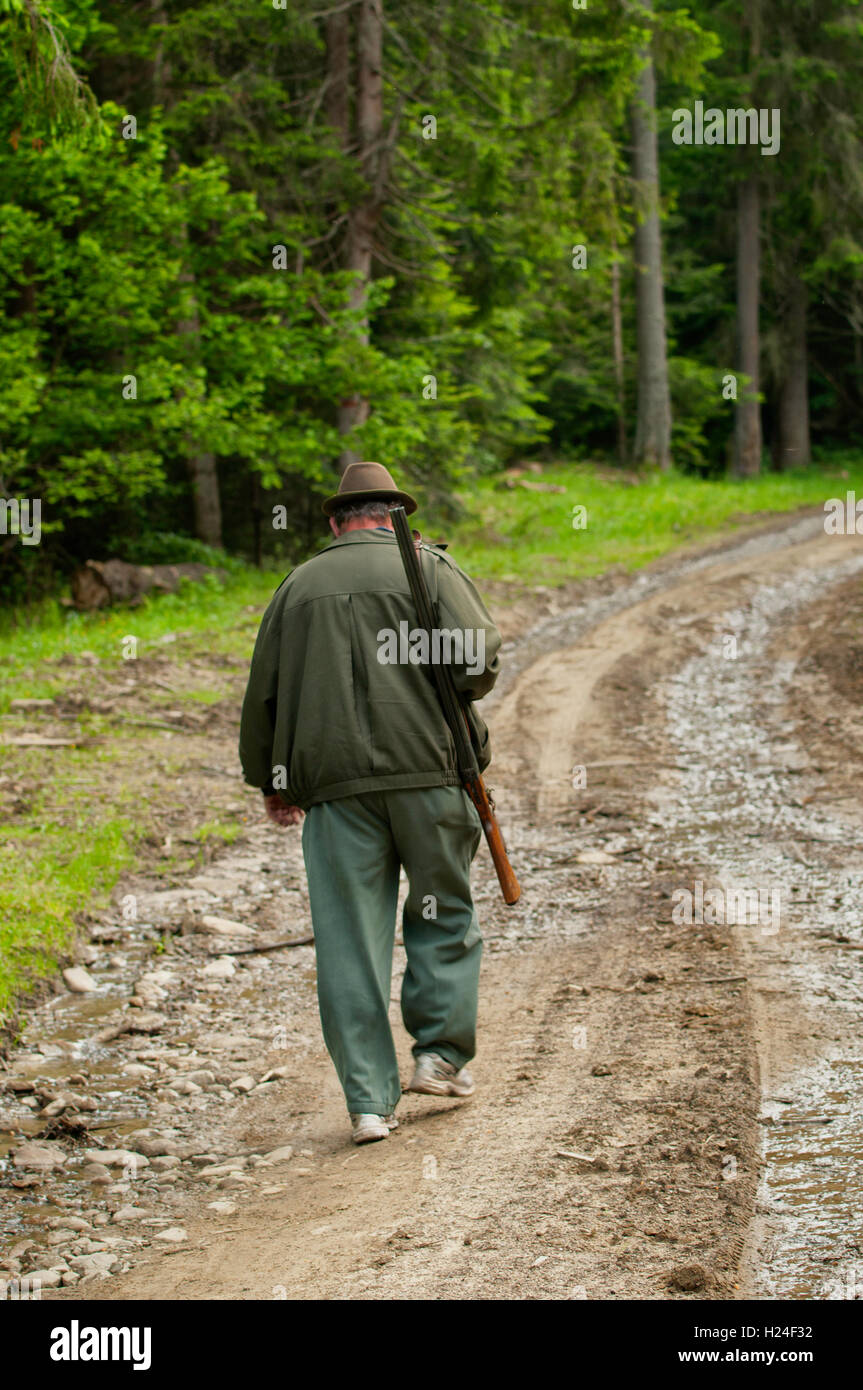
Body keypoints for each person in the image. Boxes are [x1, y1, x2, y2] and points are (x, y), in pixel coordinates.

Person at [239, 461, 502, 1144]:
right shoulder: (429, 569)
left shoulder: (296, 587)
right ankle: (440, 1057)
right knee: (442, 912)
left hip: (333, 792)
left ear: (335, 522)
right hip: (431, 778)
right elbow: (479, 666)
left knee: (348, 942)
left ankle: (366, 1104)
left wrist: (270, 781)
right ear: (394, 515)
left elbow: (262, 691)